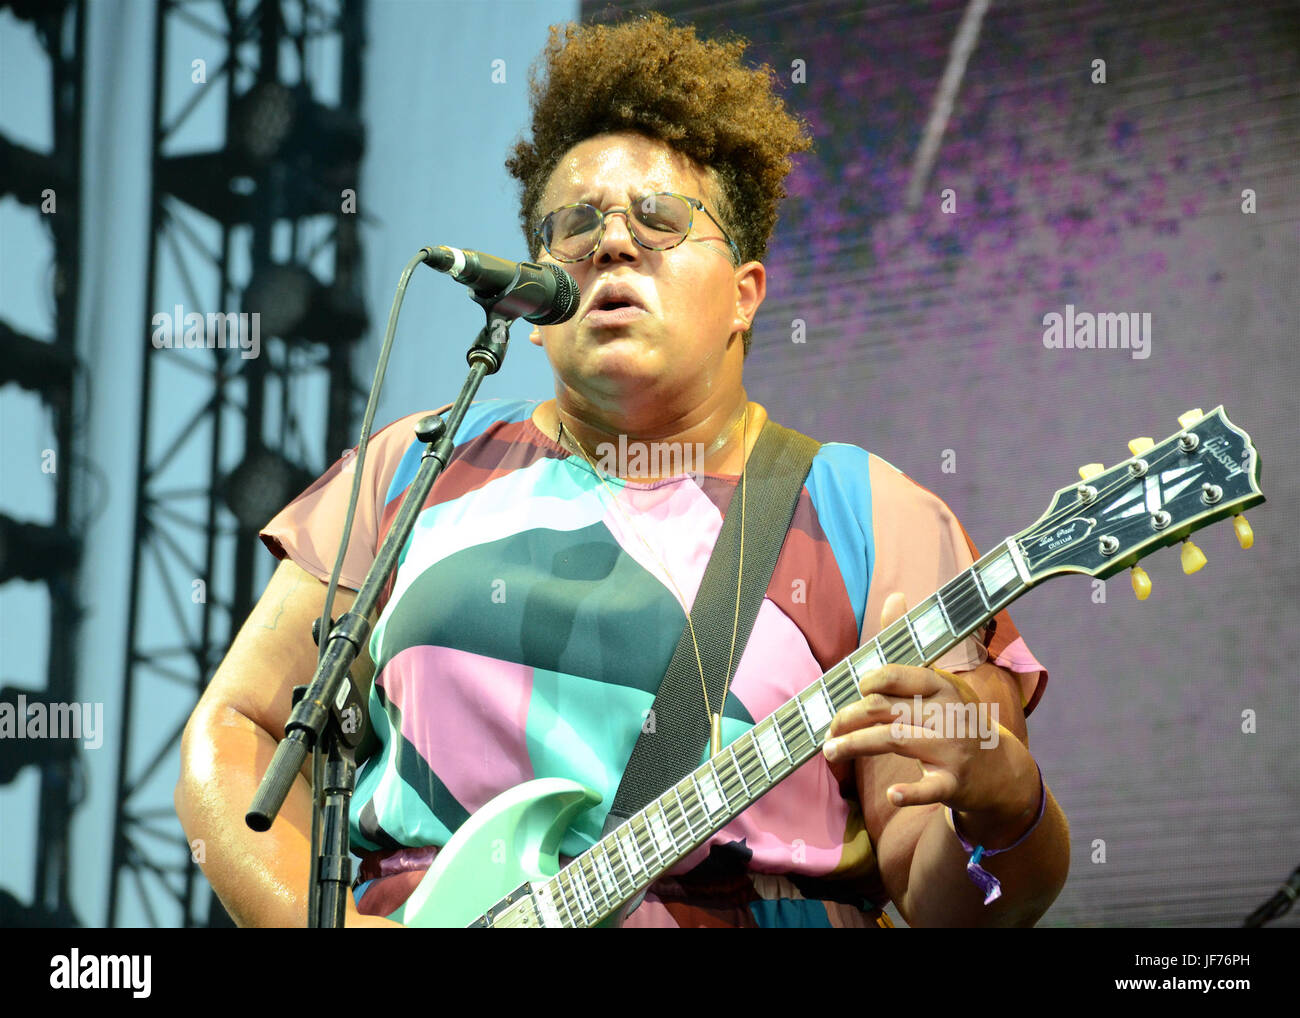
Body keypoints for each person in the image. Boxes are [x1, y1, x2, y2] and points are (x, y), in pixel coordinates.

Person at [175, 12, 1069, 928]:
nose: (610, 242)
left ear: (745, 293)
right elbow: (239, 732)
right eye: (574, 224)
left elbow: (952, 900)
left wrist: (1005, 811)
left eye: (660, 218)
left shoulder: (869, 515)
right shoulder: (411, 466)